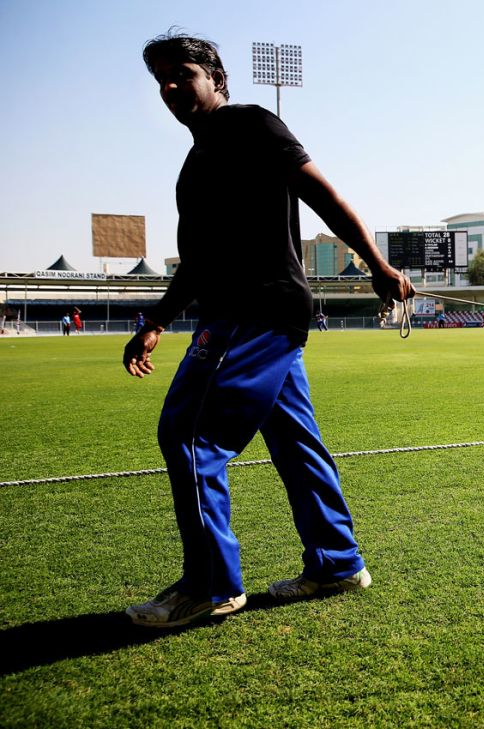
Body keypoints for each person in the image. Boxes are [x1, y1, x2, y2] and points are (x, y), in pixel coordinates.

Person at [122, 32, 414, 629]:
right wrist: (154, 321)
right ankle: (336, 562)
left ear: (216, 80)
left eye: (183, 74)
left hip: (253, 312)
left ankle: (210, 586)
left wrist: (376, 265)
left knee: (188, 433)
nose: (171, 88)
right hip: (252, 312)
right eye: (162, 81)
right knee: (295, 443)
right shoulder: (195, 164)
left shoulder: (250, 124)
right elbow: (198, 261)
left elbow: (323, 196)